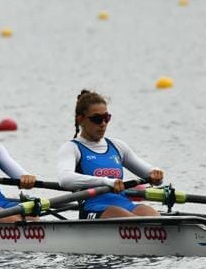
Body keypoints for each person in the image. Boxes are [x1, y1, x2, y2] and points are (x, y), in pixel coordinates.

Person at [57, 90, 165, 219]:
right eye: (97, 119)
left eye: (106, 118)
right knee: (126, 217)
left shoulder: (118, 146)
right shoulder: (72, 148)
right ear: (81, 120)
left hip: (125, 205)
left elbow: (151, 175)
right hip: (94, 208)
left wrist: (157, 175)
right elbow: (65, 179)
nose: (103, 124)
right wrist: (106, 181)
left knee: (154, 216)